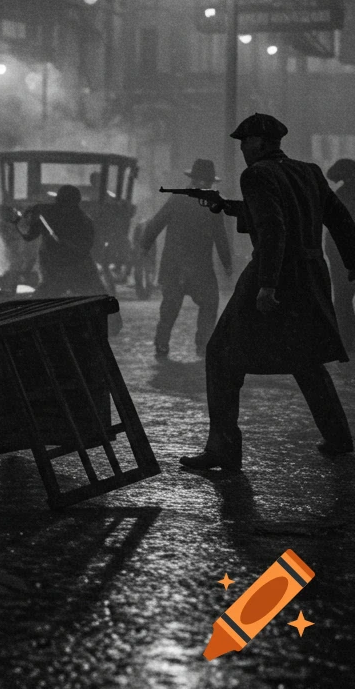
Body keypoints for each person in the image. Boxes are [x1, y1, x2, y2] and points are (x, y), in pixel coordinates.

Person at [180, 113, 355, 473]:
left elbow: (273, 227)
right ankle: (338, 438)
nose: (242, 149)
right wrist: (354, 260)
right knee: (306, 358)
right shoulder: (309, 171)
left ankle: (223, 447)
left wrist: (268, 283)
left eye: (245, 142)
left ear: (259, 142)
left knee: (220, 353)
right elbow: (337, 218)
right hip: (310, 274)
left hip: (275, 272)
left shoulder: (256, 175)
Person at [140, 159, 232, 359]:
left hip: (175, 265)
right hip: (200, 268)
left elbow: (155, 225)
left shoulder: (177, 199)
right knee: (209, 304)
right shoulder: (213, 203)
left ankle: (162, 344)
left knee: (170, 308)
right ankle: (203, 345)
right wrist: (227, 264)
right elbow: (221, 238)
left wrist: (144, 248)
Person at [19, 185, 106, 298]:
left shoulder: (83, 220)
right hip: (55, 262)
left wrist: (69, 245)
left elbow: (87, 246)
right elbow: (29, 235)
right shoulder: (45, 212)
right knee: (48, 291)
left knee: (94, 294)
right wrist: (27, 217)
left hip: (74, 263)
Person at [325, 158, 355, 351]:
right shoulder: (344, 193)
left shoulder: (343, 194)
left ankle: (346, 341)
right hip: (343, 253)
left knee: (343, 299)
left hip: (342, 255)